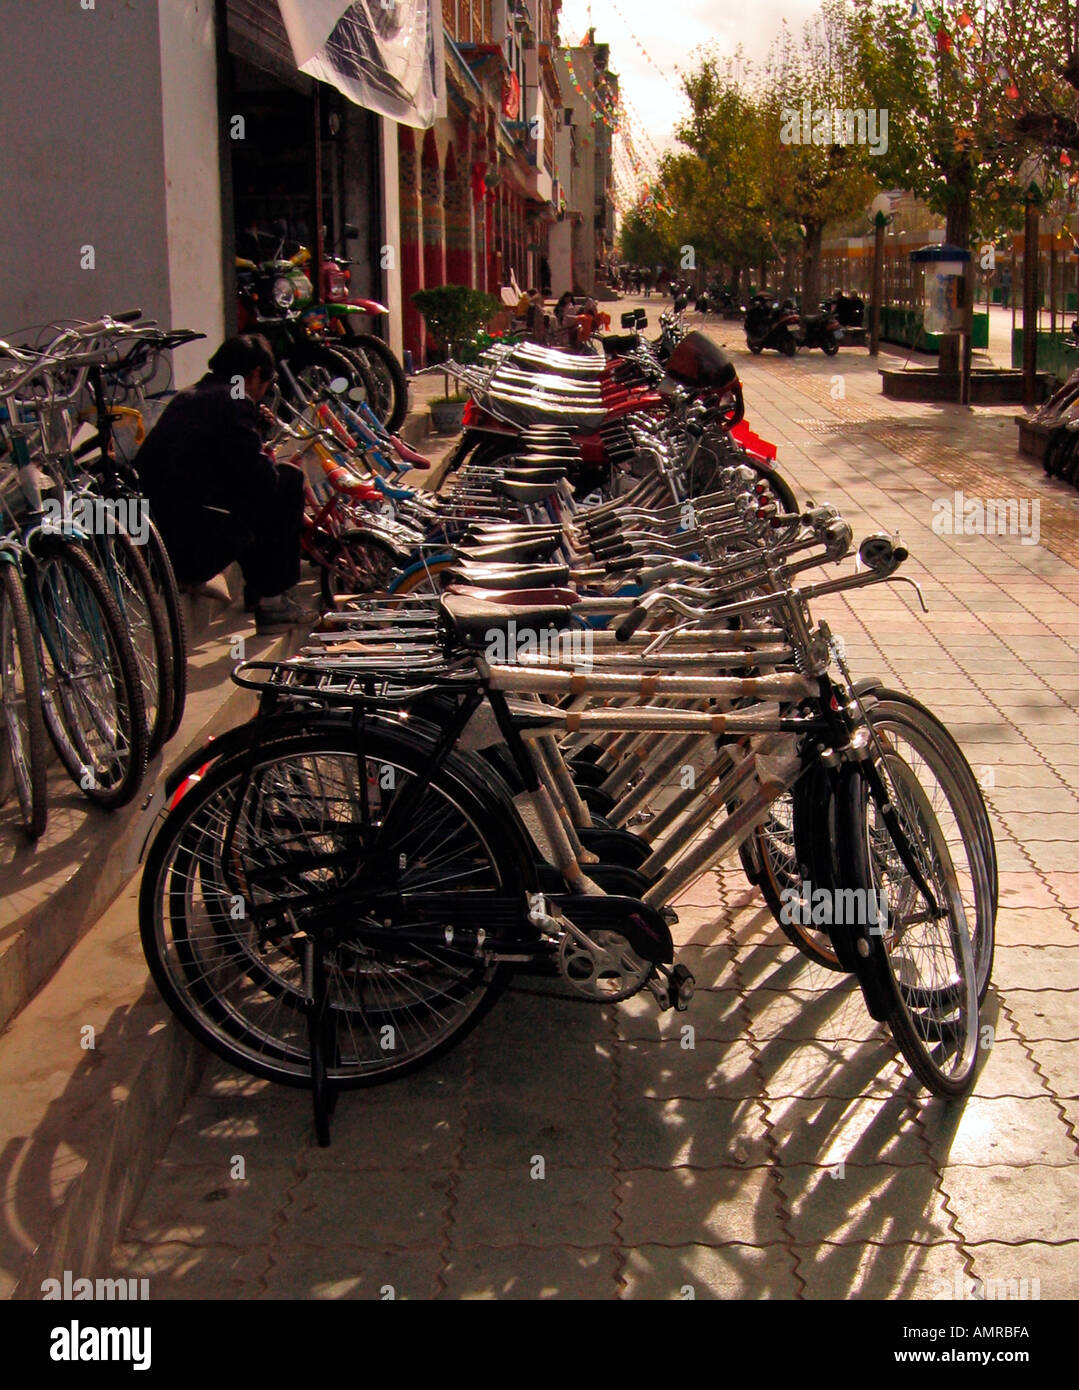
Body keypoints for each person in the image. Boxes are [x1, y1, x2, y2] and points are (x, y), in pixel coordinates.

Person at [134, 334, 312, 634]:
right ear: (255, 374)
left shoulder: (193, 395)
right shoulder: (233, 402)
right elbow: (263, 481)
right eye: (267, 383)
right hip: (185, 549)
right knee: (287, 480)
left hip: (160, 537)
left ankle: (260, 593)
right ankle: (272, 602)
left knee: (255, 487)